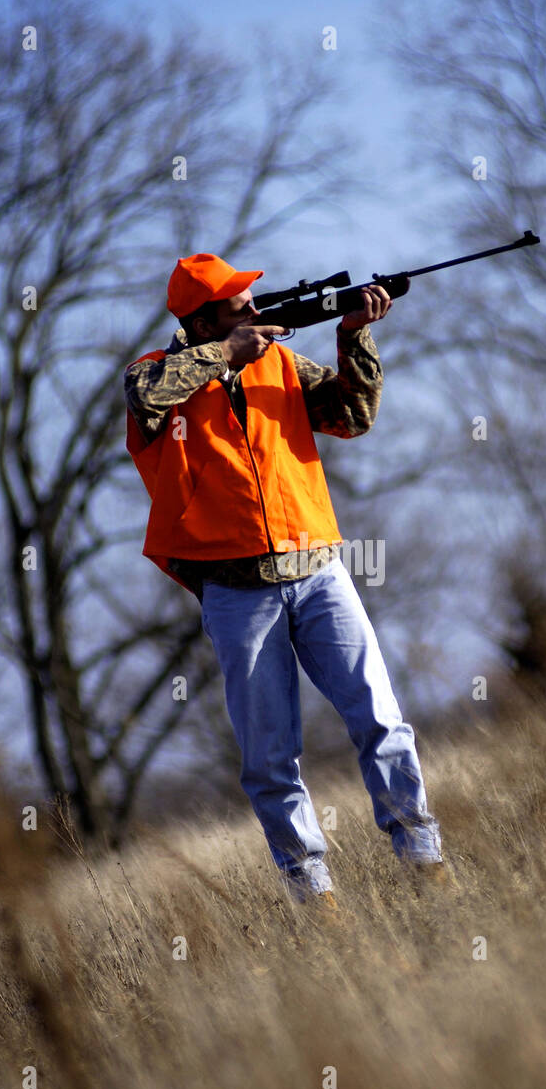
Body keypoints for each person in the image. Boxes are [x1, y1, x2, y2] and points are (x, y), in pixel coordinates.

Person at [124, 252, 445, 909]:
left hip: (319, 571)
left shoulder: (281, 361)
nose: (252, 306)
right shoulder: (152, 374)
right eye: (237, 302)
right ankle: (312, 892)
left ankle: (422, 855)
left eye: (250, 298)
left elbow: (351, 417)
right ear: (202, 316)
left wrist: (354, 332)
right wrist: (227, 355)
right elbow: (146, 396)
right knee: (270, 758)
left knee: (379, 718)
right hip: (236, 593)